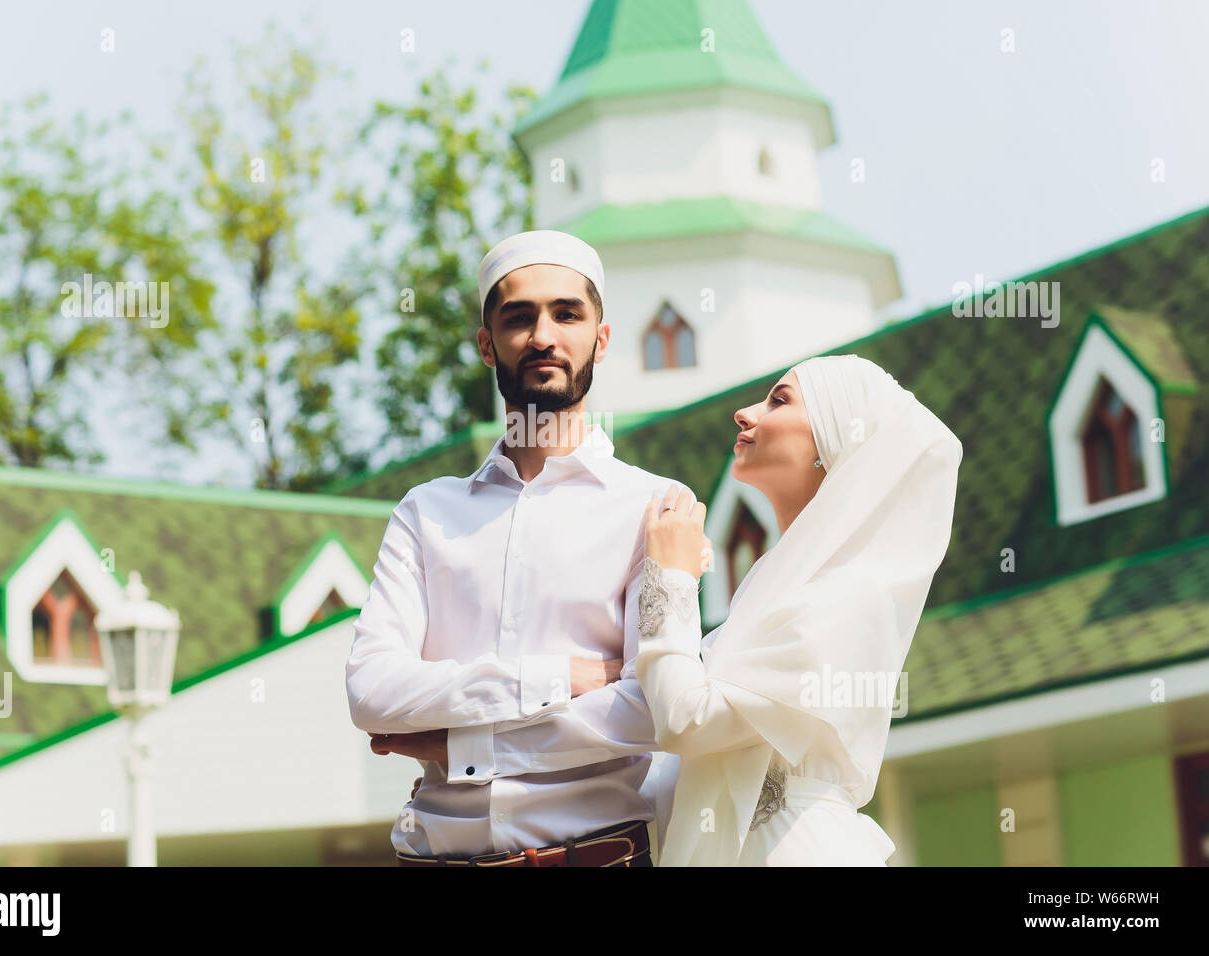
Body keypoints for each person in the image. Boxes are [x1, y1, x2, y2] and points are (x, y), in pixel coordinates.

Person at [345, 229, 708, 867]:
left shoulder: (656, 507)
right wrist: (556, 680)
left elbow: (654, 711)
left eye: (567, 313)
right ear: (488, 345)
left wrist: (455, 743)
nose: (544, 335)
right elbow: (372, 692)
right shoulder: (426, 512)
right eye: (520, 318)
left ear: (601, 337)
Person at [634, 353, 962, 866]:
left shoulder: (854, 595)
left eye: (779, 400)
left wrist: (668, 581)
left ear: (834, 446)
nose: (745, 413)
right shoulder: (770, 590)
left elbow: (685, 720)